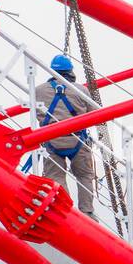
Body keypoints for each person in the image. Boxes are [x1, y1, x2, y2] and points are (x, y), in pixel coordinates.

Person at [33, 54, 98, 217]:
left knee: (56, 176)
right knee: (84, 176)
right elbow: (94, 114)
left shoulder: (38, 91)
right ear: (70, 71)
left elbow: (35, 113)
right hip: (78, 140)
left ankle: (67, 212)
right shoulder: (80, 90)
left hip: (51, 141)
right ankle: (87, 211)